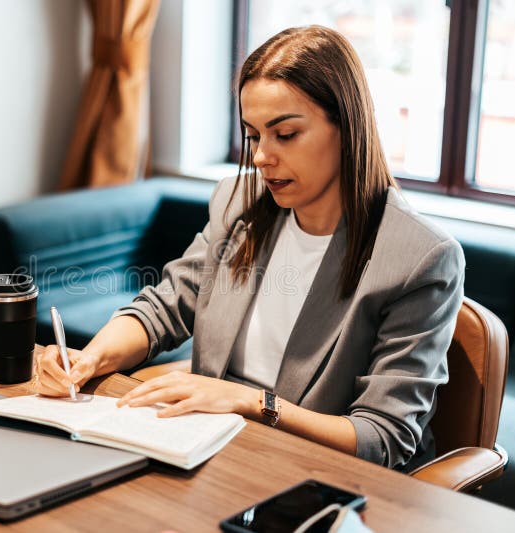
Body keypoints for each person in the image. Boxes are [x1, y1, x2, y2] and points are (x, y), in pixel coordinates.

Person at [35, 25, 464, 470]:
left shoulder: (419, 258)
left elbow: (382, 439)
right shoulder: (238, 203)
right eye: (254, 135)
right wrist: (87, 360)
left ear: (347, 127)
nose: (260, 156)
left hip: (316, 479)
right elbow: (164, 309)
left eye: (285, 134)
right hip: (214, 451)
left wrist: (250, 402)